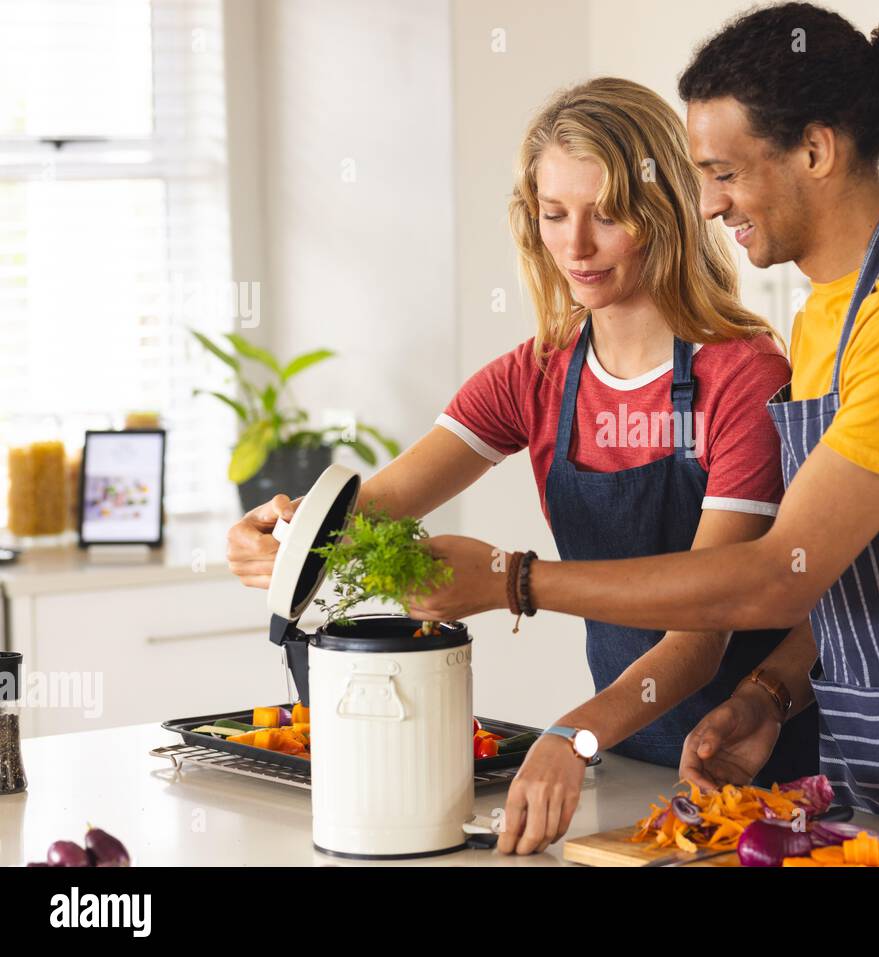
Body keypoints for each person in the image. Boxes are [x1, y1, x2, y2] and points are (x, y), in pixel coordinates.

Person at [411, 5, 879, 867]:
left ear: (816, 150)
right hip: (877, 738)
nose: (710, 202)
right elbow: (848, 576)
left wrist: (516, 579)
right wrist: (769, 692)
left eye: (723, 171)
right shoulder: (828, 310)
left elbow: (771, 575)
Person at [226, 77, 818, 856]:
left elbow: (702, 627)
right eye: (553, 214)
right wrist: (285, 529)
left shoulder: (742, 376)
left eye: (607, 215)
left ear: (664, 212)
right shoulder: (537, 375)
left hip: (759, 768)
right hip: (634, 765)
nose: (574, 246)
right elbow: (376, 503)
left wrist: (572, 733)